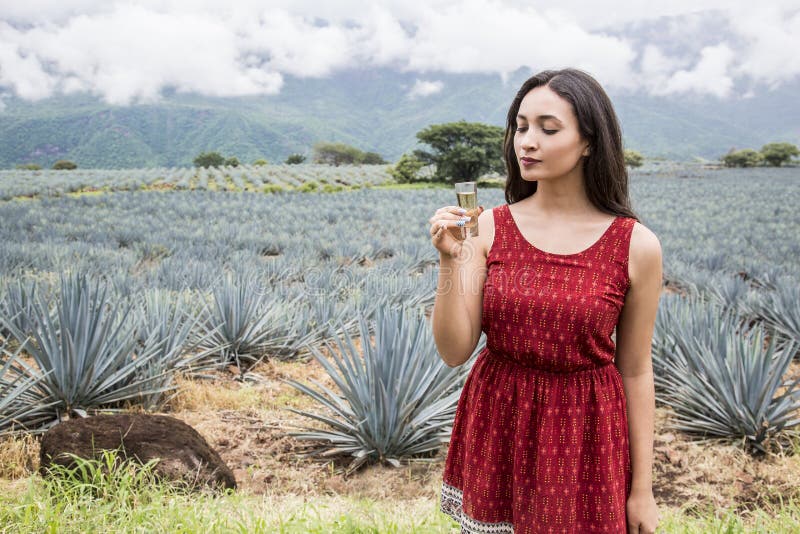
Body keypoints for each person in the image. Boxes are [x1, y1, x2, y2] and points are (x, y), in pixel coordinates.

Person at [429, 68, 661, 533]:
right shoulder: (487, 227)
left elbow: (634, 370)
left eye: (547, 129)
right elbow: (454, 351)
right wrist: (450, 261)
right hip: (500, 421)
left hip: (586, 435)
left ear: (590, 142)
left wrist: (642, 490)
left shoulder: (635, 245)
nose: (526, 142)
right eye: (520, 126)